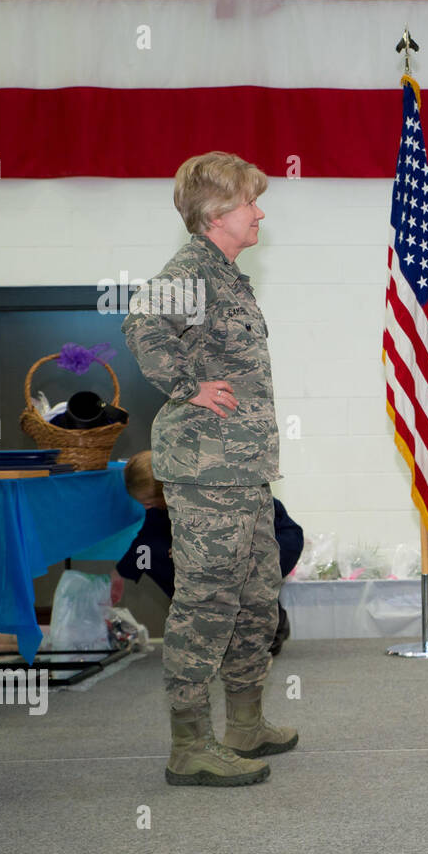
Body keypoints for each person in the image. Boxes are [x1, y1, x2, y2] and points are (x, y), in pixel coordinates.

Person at [122, 151, 297, 787]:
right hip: (206, 472)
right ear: (220, 213)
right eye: (251, 202)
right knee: (206, 603)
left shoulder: (226, 274)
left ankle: (245, 723)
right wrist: (190, 382)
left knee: (255, 597)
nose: (259, 212)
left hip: (242, 471)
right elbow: (142, 323)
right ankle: (189, 745)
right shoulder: (193, 268)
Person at [110, 450, 303, 656]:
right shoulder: (162, 505)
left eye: (148, 500)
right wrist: (120, 574)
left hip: (275, 540)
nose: (145, 506)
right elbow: (145, 542)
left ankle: (269, 622)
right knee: (154, 554)